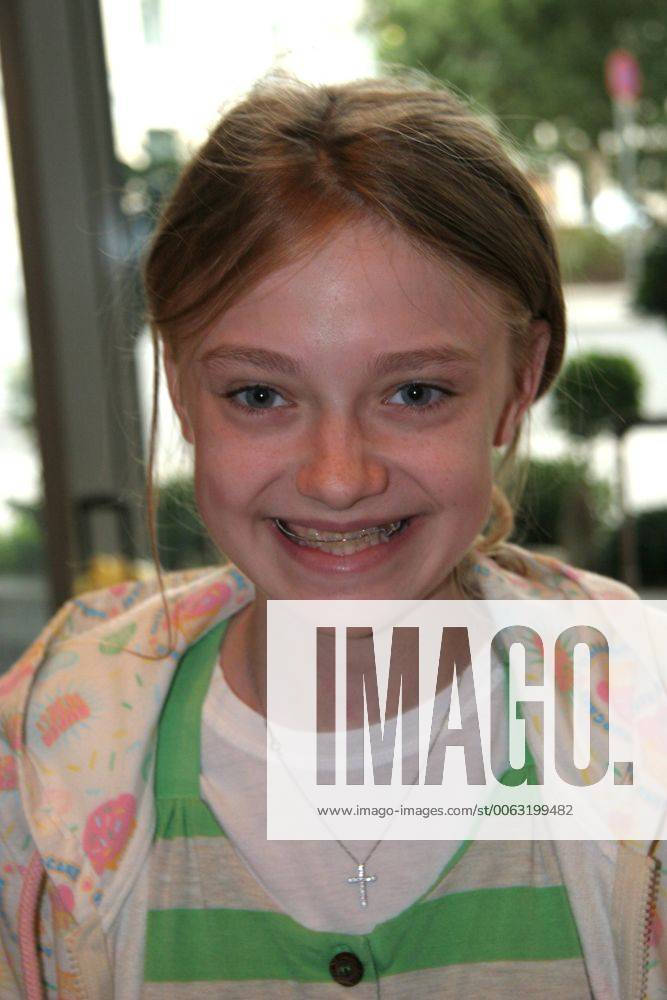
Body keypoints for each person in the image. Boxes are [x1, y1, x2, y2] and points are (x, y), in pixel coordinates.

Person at [0, 73, 664, 1000]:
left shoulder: (642, 732)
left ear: (520, 383)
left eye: (415, 393)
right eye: (259, 394)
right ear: (183, 392)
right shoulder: (46, 759)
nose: (338, 476)